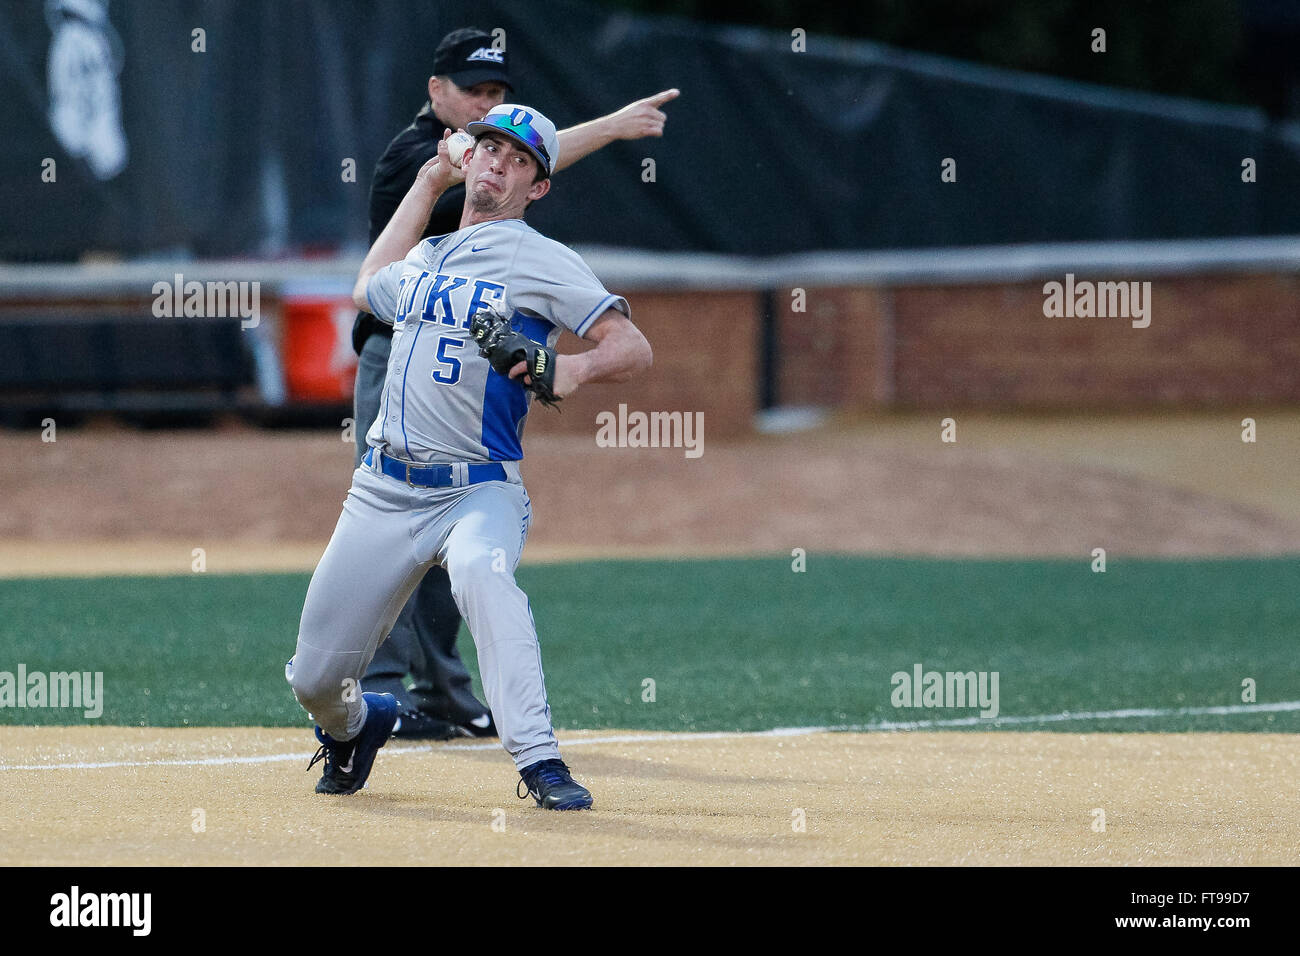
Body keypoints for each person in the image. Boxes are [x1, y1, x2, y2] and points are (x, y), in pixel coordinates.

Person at [288, 103, 653, 809]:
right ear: (469, 158)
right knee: (313, 681)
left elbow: (631, 348)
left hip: (476, 490)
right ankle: (359, 727)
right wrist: (427, 183)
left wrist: (567, 370)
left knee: (485, 578)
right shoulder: (424, 257)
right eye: (489, 148)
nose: (498, 163)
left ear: (536, 187)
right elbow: (367, 287)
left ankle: (540, 760)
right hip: (382, 490)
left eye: (519, 160)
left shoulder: (540, 259)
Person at [352, 27, 677, 740]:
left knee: (455, 533)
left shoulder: (491, 164)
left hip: (465, 373)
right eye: (473, 93)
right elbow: (511, 153)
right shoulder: (419, 158)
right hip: (399, 363)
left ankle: (442, 691)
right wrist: (614, 128)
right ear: (436, 92)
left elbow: (527, 150)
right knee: (394, 526)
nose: (485, 108)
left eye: (496, 93)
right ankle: (377, 690)